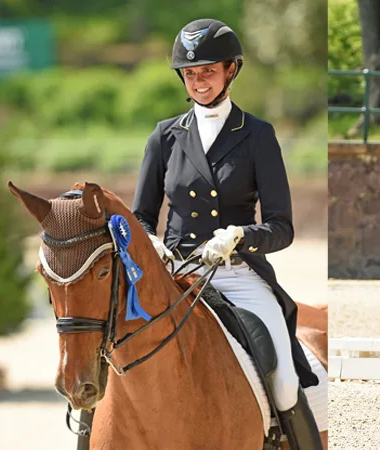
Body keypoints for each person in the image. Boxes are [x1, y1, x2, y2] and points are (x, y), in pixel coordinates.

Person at [131, 18, 323, 449]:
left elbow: (282, 227)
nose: (199, 81)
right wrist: (155, 245)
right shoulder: (164, 137)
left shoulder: (257, 135)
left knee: (287, 383)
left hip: (238, 274)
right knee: (114, 355)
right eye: (191, 73)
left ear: (230, 72)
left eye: (208, 71)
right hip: (178, 275)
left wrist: (239, 235)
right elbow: (140, 216)